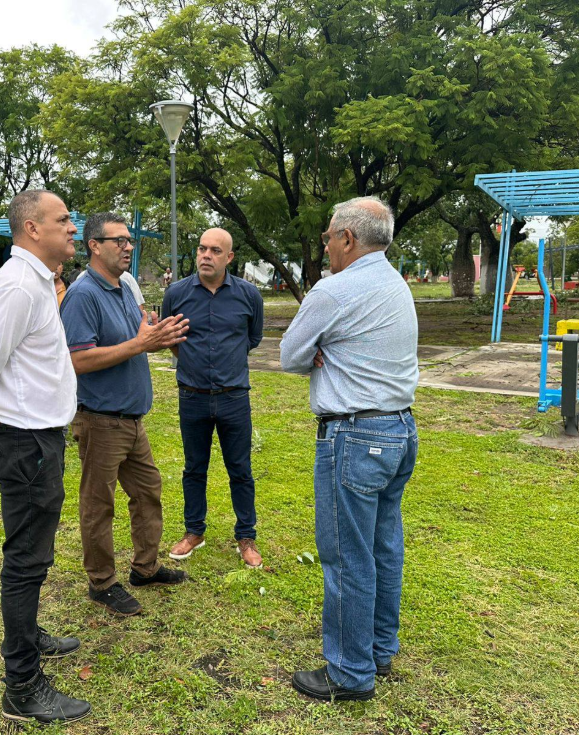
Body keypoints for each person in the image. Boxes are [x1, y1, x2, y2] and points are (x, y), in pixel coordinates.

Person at [0, 190, 91, 725]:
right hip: (25, 442)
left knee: (33, 553)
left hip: (37, 436)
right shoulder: (15, 287)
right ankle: (22, 685)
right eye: (63, 221)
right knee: (27, 561)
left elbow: (16, 365)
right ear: (32, 229)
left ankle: (29, 637)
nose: (72, 228)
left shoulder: (37, 283)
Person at [280, 197, 419, 702]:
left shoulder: (334, 290)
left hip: (354, 436)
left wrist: (324, 351)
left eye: (328, 237)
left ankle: (349, 672)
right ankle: (379, 650)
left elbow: (291, 355)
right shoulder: (396, 283)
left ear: (347, 238)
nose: (326, 246)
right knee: (384, 548)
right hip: (400, 430)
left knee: (346, 557)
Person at [60, 212, 190, 617]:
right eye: (119, 240)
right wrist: (139, 344)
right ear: (94, 245)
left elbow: (135, 342)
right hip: (100, 420)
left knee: (148, 492)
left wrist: (153, 338)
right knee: (98, 504)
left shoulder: (120, 289)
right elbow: (77, 360)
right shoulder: (83, 294)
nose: (128, 247)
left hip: (132, 420)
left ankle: (144, 569)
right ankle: (101, 583)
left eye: (129, 240)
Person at [162, 228, 265, 568]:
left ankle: (246, 537)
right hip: (192, 397)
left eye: (215, 251)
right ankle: (194, 531)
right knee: (194, 468)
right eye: (202, 248)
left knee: (240, 470)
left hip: (234, 397)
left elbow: (252, 338)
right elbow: (170, 339)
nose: (206, 255)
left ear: (229, 257)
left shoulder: (249, 296)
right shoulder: (176, 294)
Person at [74, 267, 145, 307]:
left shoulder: (126, 279)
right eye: (118, 242)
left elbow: (139, 307)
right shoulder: (81, 286)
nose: (129, 247)